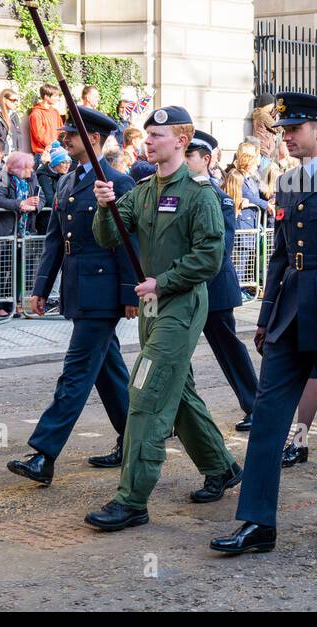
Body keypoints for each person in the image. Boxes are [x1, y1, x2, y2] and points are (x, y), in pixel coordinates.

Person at [211, 92, 317, 556]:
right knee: (267, 419)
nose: (285, 137)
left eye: (293, 130)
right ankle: (256, 522)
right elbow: (282, 257)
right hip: (289, 316)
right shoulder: (286, 184)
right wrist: (265, 319)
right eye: (282, 131)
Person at [88, 105, 239, 531]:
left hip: (181, 302)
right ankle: (221, 466)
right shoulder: (144, 190)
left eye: (158, 135)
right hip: (153, 306)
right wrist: (105, 207)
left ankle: (131, 499)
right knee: (179, 390)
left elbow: (210, 257)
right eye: (148, 135)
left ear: (181, 141)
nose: (149, 141)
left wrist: (163, 281)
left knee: (147, 393)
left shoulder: (199, 194)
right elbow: (109, 237)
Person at [9, 111, 136, 485]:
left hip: (103, 291)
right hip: (78, 289)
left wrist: (130, 291)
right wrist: (41, 288)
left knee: (76, 372)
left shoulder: (116, 181)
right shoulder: (67, 182)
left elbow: (130, 240)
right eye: (64, 133)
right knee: (107, 371)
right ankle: (135, 441)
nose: (64, 139)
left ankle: (44, 454)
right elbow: (55, 241)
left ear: (94, 139)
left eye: (72, 134)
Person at [186, 129, 258, 432]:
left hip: (212, 287)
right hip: (181, 289)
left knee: (228, 349)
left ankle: (255, 405)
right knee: (173, 355)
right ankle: (174, 416)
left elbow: (219, 249)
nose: (183, 159)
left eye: (189, 154)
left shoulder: (219, 197)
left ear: (205, 159)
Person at [0, 144, 40, 317]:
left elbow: (40, 196)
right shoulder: (2, 177)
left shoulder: (31, 177)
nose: (31, 170)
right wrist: (20, 204)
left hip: (25, 231)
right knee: (0, 268)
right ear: (18, 168)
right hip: (4, 231)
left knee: (19, 270)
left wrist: (35, 205)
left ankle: (14, 303)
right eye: (27, 168)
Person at [28, 84, 64, 157]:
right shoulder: (36, 113)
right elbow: (40, 135)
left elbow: (61, 130)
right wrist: (53, 146)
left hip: (56, 150)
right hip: (43, 153)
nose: (58, 98)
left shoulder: (55, 112)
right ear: (46, 97)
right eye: (55, 96)